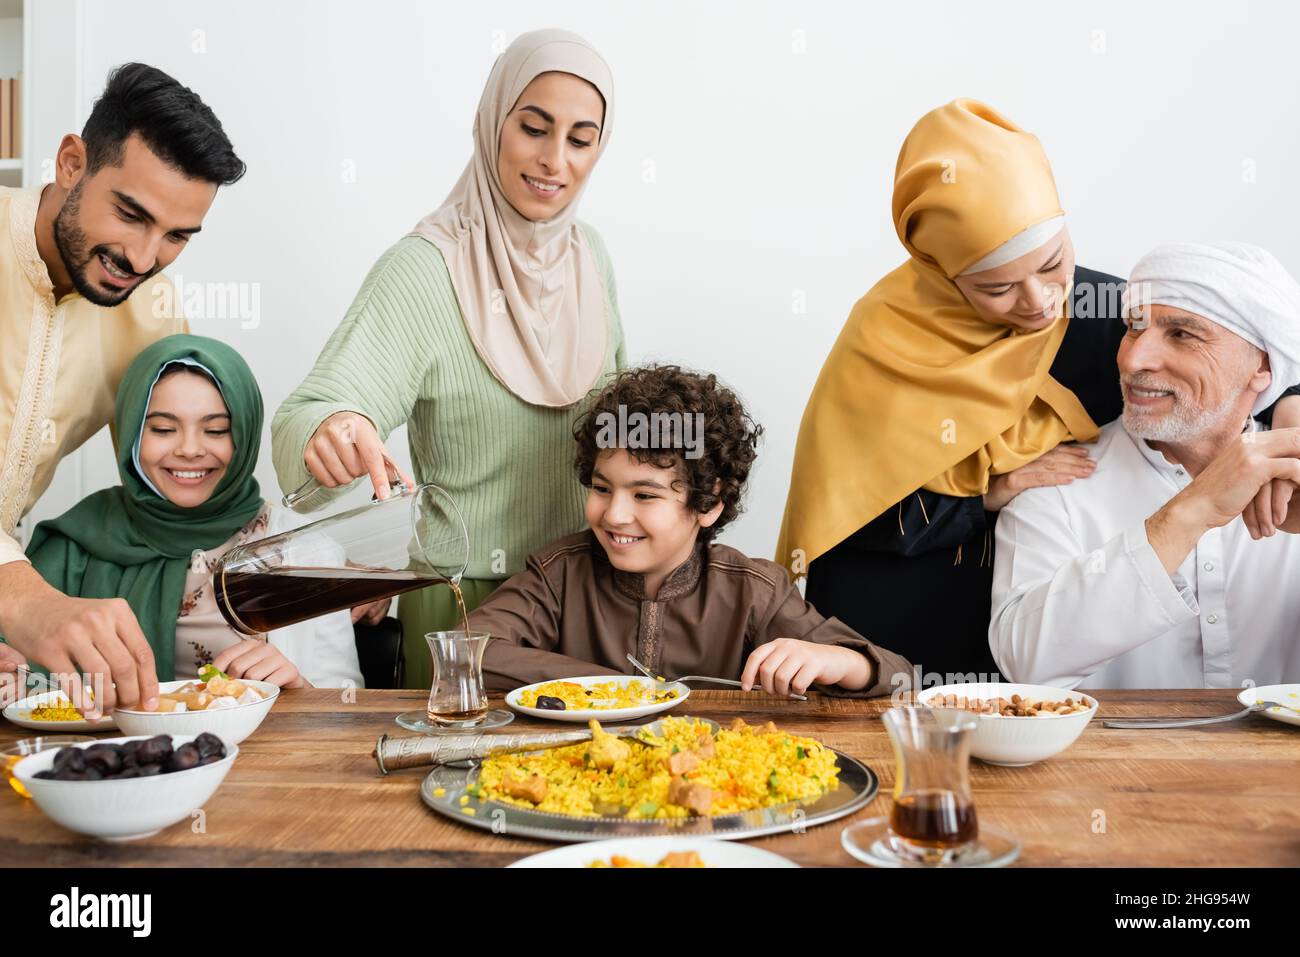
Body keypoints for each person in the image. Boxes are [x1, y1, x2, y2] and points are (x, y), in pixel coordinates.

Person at [774, 99, 1300, 681]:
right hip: (898, 608)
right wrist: (986, 495)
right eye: (996, 288)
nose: (1040, 302)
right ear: (943, 276)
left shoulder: (1102, 309)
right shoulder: (880, 346)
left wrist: (1291, 414)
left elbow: (1236, 350)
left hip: (1038, 628)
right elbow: (849, 509)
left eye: (1053, 263)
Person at [272, 30, 625, 690]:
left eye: (581, 139)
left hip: (590, 594)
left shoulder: (590, 259)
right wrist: (336, 429)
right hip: (468, 608)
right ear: (492, 122)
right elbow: (312, 412)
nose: (555, 159)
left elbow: (623, 431)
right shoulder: (425, 269)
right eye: (534, 127)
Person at [0, 63, 246, 713]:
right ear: (72, 163)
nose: (143, 257)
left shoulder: (149, 309)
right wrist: (23, 596)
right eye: (131, 214)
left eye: (175, 236)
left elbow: (173, 490)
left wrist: (330, 576)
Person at [475, 365, 913, 698]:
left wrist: (838, 659)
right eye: (602, 488)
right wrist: (620, 690)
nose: (614, 515)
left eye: (644, 496)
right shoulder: (558, 574)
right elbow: (467, 652)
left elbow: (902, 678)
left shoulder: (754, 591)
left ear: (709, 503)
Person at [989, 243, 1300, 688]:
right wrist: (1190, 512)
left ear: (1262, 367)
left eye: (1182, 334)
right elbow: (1026, 662)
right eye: (1134, 327)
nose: (1133, 360)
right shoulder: (1057, 480)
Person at [4, 335, 362, 712]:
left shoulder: (304, 549)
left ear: (243, 436)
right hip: (103, 761)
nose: (190, 449)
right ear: (130, 434)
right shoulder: (76, 540)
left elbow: (346, 708)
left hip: (259, 765)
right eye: (162, 429)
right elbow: (21, 677)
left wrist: (300, 689)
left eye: (215, 430)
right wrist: (12, 682)